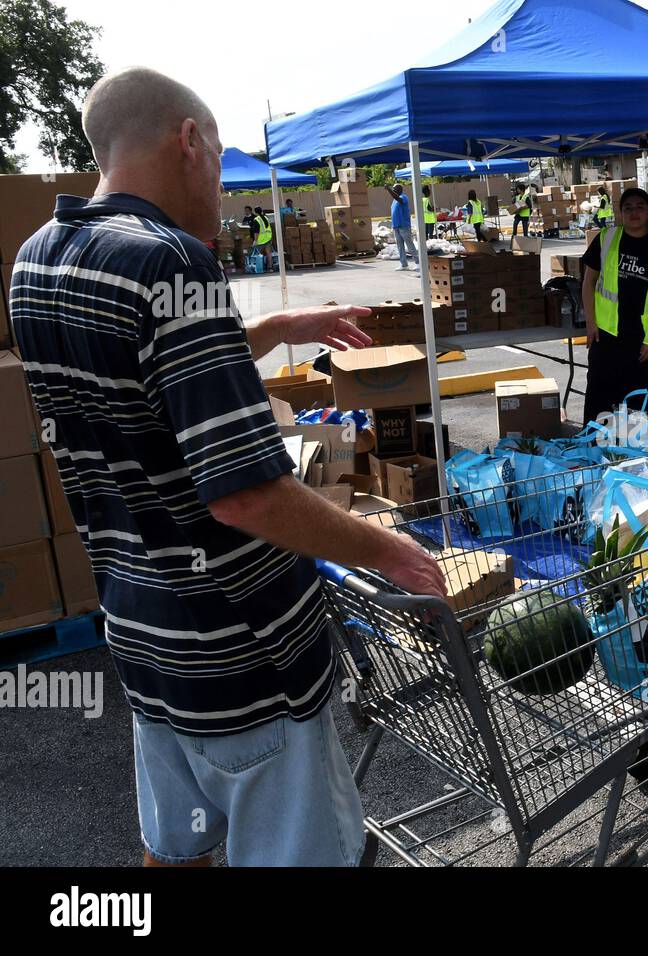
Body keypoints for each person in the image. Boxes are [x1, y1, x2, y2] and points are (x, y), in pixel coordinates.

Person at [9, 67, 445, 868]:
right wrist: (389, 552)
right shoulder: (173, 264)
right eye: (215, 153)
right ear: (190, 141)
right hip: (245, 656)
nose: (218, 177)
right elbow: (247, 497)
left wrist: (274, 325)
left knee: (176, 850)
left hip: (143, 641)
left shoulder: (39, 260)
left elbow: (144, 383)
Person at [580, 187, 648, 425]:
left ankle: (634, 451)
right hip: (604, 333)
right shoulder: (606, 238)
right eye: (628, 208)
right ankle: (591, 447)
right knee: (598, 397)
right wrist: (590, 322)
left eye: (640, 207)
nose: (634, 213)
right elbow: (588, 281)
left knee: (636, 402)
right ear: (621, 213)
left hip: (638, 337)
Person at [383, 182, 417, 271]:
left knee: (410, 245)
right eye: (393, 188)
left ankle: (418, 262)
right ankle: (404, 264)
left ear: (400, 190)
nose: (393, 189)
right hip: (396, 226)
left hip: (404, 226)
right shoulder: (394, 200)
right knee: (400, 246)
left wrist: (389, 189)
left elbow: (399, 199)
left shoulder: (403, 197)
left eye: (395, 188)